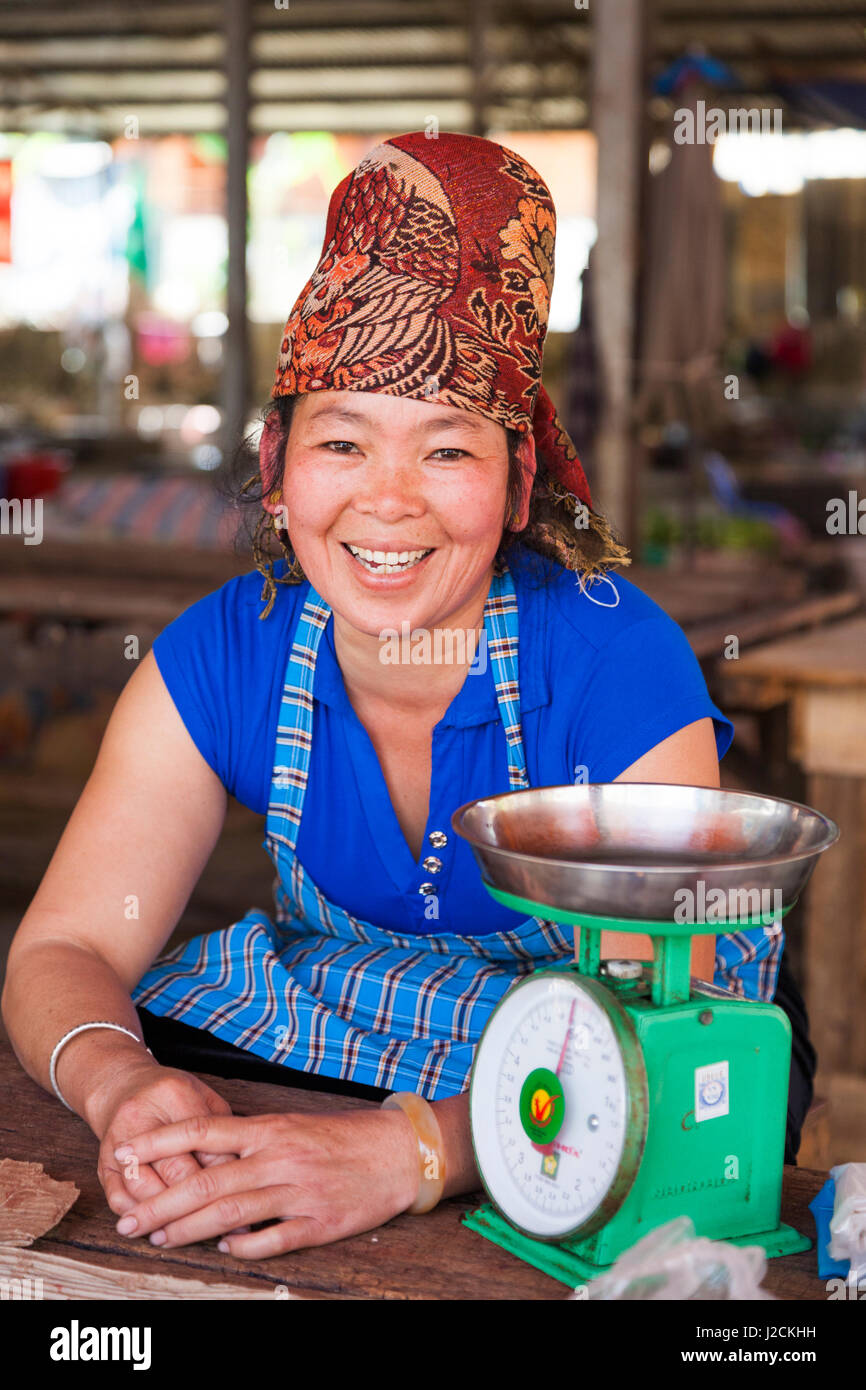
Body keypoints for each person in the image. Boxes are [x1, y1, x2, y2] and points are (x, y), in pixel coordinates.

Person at [2, 132, 812, 1263]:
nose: (387, 505)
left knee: (724, 1086)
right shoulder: (222, 655)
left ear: (518, 483)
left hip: (589, 1052)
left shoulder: (610, 661)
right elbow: (70, 943)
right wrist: (120, 1083)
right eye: (341, 441)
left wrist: (410, 1153)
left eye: (445, 452)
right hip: (333, 1013)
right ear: (277, 471)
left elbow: (670, 1032)